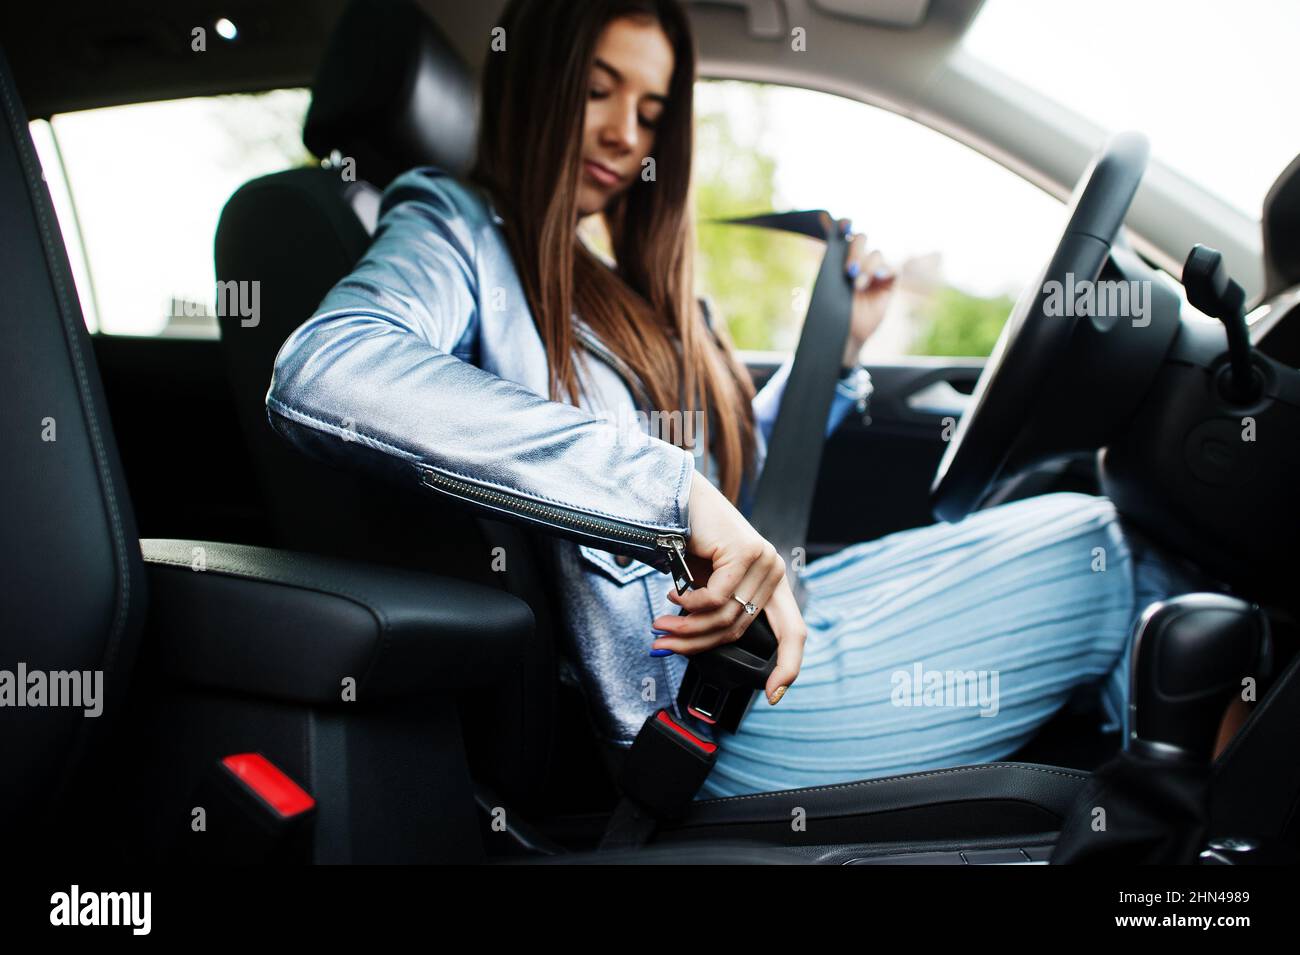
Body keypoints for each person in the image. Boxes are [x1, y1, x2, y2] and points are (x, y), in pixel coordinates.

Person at [266, 0, 1207, 798]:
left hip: (770, 635)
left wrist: (836, 348)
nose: (623, 132)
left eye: (651, 107)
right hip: (700, 710)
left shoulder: (622, 275)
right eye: (595, 89)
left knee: (1096, 527)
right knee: (1113, 560)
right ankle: (1216, 855)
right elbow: (330, 367)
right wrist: (668, 496)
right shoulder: (455, 223)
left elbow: (721, 474)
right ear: (531, 81)